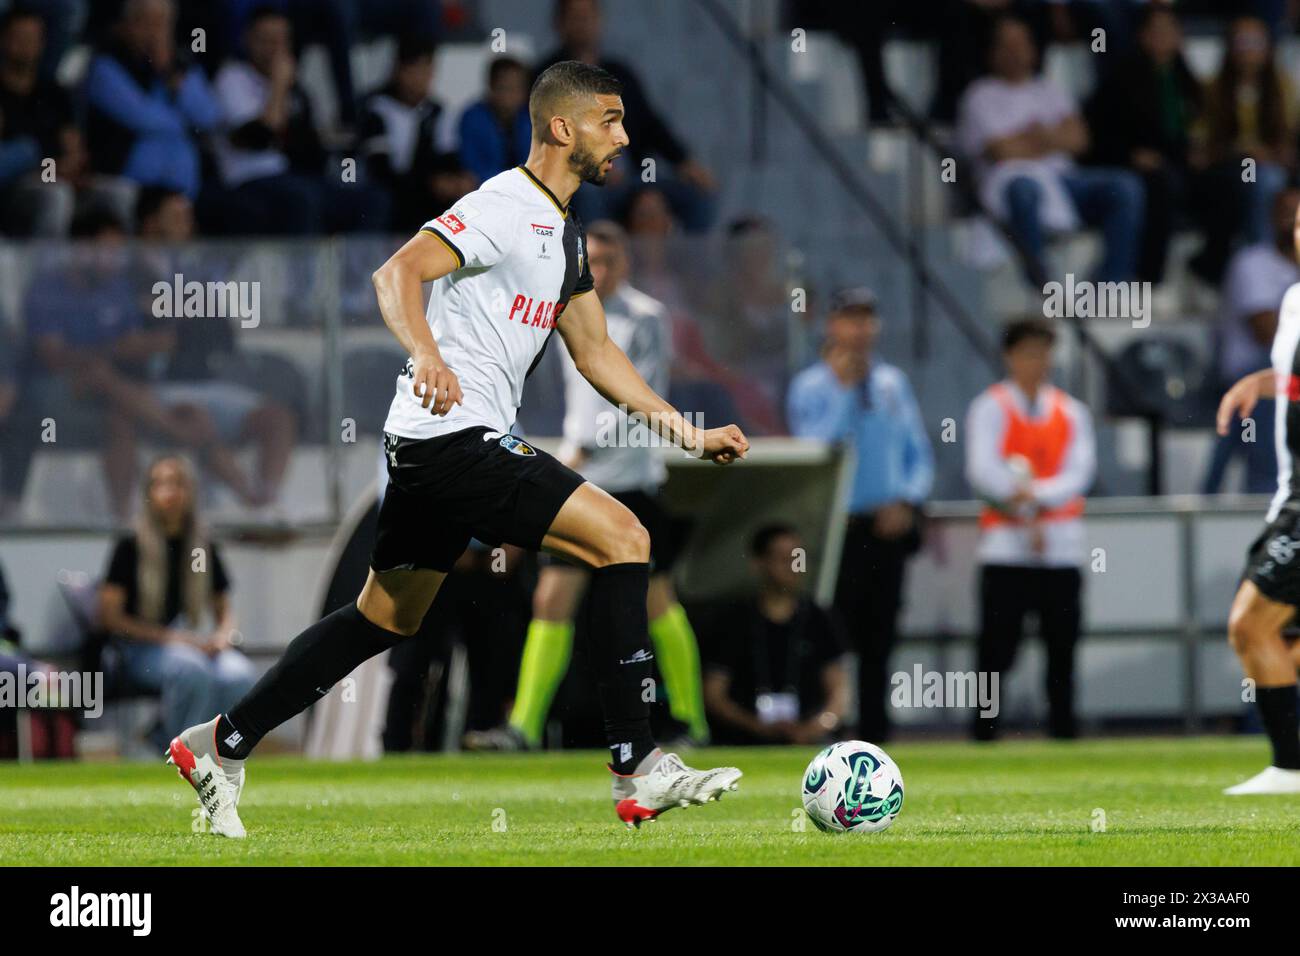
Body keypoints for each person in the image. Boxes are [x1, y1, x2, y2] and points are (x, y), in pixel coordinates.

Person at [166, 60, 750, 838]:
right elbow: (395, 272)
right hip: (453, 436)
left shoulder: (566, 236)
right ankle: (637, 764)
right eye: (610, 119)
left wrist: (689, 431)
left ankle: (219, 743)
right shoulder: (503, 205)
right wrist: (427, 354)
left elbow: (599, 354)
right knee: (625, 537)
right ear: (562, 127)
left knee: (385, 616)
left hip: (425, 444)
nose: (625, 136)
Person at [462, 220, 710, 752]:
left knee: (657, 602)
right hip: (584, 483)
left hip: (633, 482)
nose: (598, 271)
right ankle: (524, 728)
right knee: (552, 598)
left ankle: (693, 723)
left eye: (608, 261)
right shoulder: (567, 307)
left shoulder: (647, 318)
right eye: (590, 262)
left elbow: (635, 399)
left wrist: (576, 451)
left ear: (627, 264)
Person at [787, 287, 933, 742]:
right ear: (832, 326)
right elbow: (817, 449)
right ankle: (828, 728)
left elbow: (918, 453)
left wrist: (907, 500)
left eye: (868, 319)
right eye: (851, 319)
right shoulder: (811, 386)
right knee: (830, 634)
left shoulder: (892, 383)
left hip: (885, 526)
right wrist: (843, 391)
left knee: (880, 638)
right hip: (836, 529)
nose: (861, 329)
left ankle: (876, 735)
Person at [965, 318, 1095, 741]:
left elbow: (1078, 474)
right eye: (1027, 353)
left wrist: (1031, 496)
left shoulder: (1070, 411)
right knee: (996, 650)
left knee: (1062, 650)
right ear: (1009, 356)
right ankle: (984, 734)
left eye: (1043, 353)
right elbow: (983, 471)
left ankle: (1063, 730)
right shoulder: (991, 407)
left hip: (1060, 547)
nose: (1037, 363)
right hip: (1005, 548)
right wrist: (1021, 506)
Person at [1214, 191, 1300, 794]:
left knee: (1250, 625)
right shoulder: (1294, 299)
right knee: (1284, 636)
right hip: (1288, 495)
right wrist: (1262, 382)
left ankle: (1290, 768)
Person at [956, 14, 1143, 284]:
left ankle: (1109, 284)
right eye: (1008, 45)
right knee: (1023, 189)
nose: (1016, 52)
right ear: (993, 52)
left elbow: (1080, 140)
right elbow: (1001, 152)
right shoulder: (979, 94)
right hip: (1011, 183)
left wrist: (1029, 139)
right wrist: (1050, 137)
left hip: (1063, 180)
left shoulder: (1048, 89)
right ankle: (1041, 282)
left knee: (1125, 187)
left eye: (1022, 43)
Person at [97, 456, 256, 750]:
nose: (170, 492)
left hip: (186, 642)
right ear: (150, 492)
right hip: (137, 648)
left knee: (239, 675)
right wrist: (175, 639)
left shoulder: (201, 544)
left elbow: (223, 607)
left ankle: (217, 752)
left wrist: (222, 637)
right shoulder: (130, 544)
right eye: (162, 484)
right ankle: (181, 749)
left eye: (178, 484)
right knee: (191, 670)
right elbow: (110, 617)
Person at [536, 0, 716, 232]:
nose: (583, 24)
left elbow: (651, 125)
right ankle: (591, 262)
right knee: (589, 194)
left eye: (588, 16)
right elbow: (546, 136)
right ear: (559, 23)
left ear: (599, 21)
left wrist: (685, 161)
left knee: (697, 195)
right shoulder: (546, 77)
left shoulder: (620, 72)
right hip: (583, 179)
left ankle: (686, 266)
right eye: (575, 17)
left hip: (632, 176)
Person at [1083, 5, 1201, 284]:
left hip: (1180, 164)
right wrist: (1131, 155)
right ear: (1142, 36)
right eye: (1156, 31)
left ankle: (1210, 268)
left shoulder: (1186, 79)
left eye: (1169, 31)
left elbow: (1194, 129)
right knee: (1158, 185)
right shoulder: (1121, 78)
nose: (1163, 38)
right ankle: (1148, 279)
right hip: (1134, 167)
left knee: (1229, 185)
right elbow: (1098, 134)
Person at [701, 524, 849, 746]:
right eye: (783, 558)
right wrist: (757, 727)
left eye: (797, 557)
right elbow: (714, 694)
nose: (793, 566)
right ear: (758, 563)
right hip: (741, 740)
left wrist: (812, 728)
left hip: (809, 739)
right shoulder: (732, 619)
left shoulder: (819, 617)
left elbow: (839, 691)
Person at [1203, 186, 1300, 495]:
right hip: (1249, 376)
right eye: (1286, 214)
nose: (1292, 222)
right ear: (1271, 218)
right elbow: (1270, 335)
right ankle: (1267, 496)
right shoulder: (1252, 262)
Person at [1188, 15, 1295, 284]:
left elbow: (1288, 141)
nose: (1249, 49)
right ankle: (1261, 259)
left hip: (1275, 168)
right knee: (1259, 176)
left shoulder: (1283, 87)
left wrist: (1270, 154)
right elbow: (1201, 147)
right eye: (1242, 41)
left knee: (1268, 176)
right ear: (1230, 46)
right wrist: (1243, 151)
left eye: (1256, 41)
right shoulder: (1213, 88)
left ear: (1268, 46)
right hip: (1229, 170)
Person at [83, 0, 219, 201]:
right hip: (125, 178)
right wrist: (188, 122)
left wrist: (170, 74)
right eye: (144, 23)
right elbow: (142, 118)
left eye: (161, 24)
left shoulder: (180, 66)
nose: (153, 34)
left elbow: (209, 117)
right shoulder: (106, 64)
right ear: (126, 25)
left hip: (181, 192)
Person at [357, 36, 471, 236]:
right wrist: (430, 183)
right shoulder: (377, 108)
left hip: (425, 191)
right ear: (400, 71)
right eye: (416, 70)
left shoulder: (437, 111)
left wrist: (458, 179)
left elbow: (448, 157)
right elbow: (380, 171)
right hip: (390, 190)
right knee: (381, 199)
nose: (423, 78)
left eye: (428, 70)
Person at [458, 57, 533, 185]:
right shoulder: (473, 118)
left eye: (518, 88)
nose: (512, 95)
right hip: (484, 189)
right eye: (505, 88)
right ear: (491, 87)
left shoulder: (531, 119)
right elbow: (471, 166)